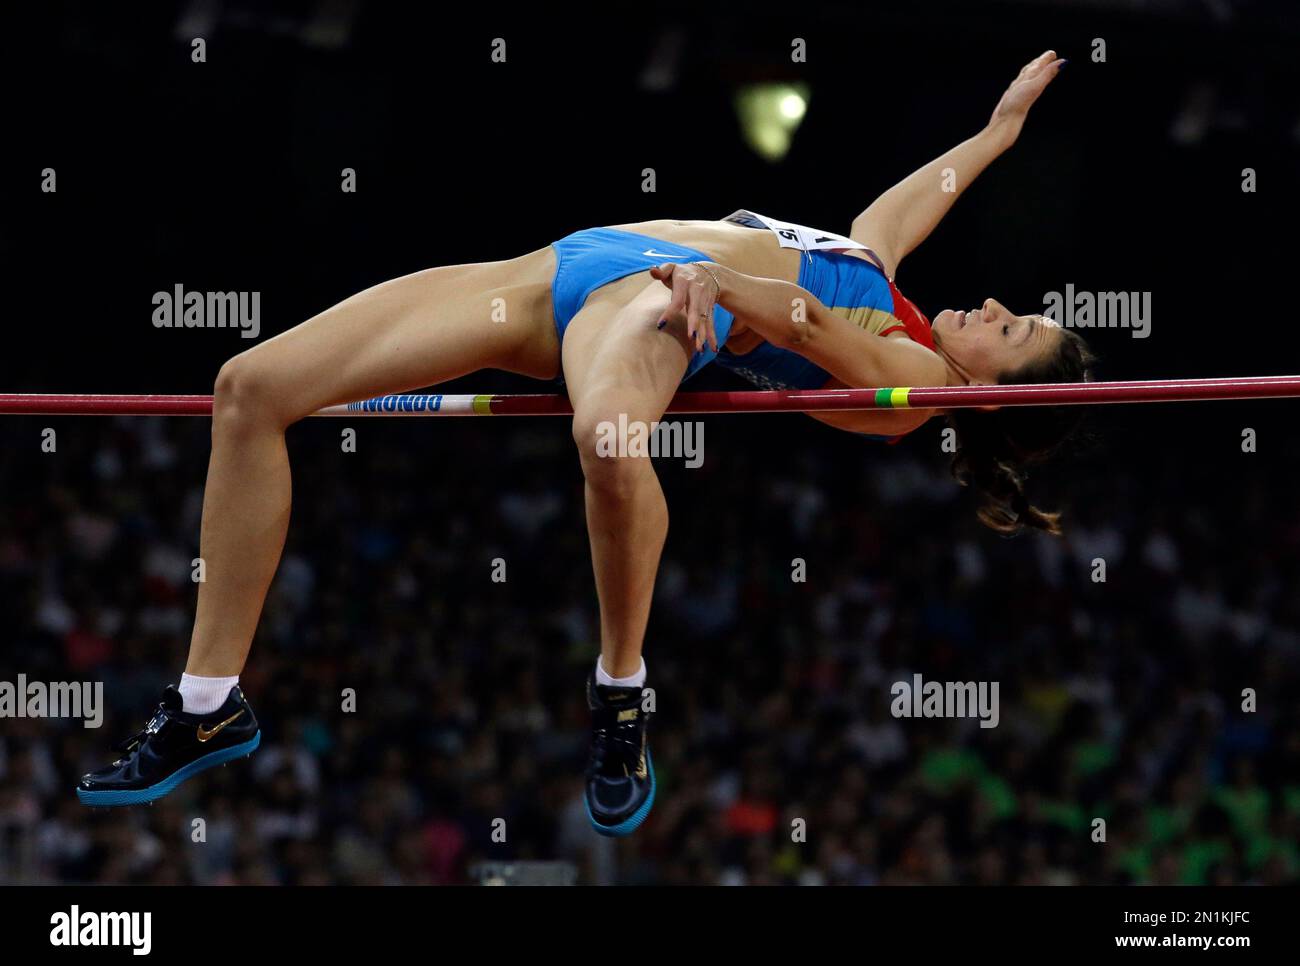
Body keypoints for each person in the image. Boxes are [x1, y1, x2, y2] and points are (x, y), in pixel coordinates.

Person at [78, 50, 1090, 836]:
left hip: (660, 306)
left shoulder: (905, 390)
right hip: (576, 264)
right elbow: (888, 216)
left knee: (607, 441)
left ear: (990, 400)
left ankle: (618, 694)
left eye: (1008, 331)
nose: (995, 305)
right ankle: (206, 703)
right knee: (251, 388)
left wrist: (715, 288)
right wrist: (1000, 131)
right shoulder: (896, 296)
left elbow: (802, 322)